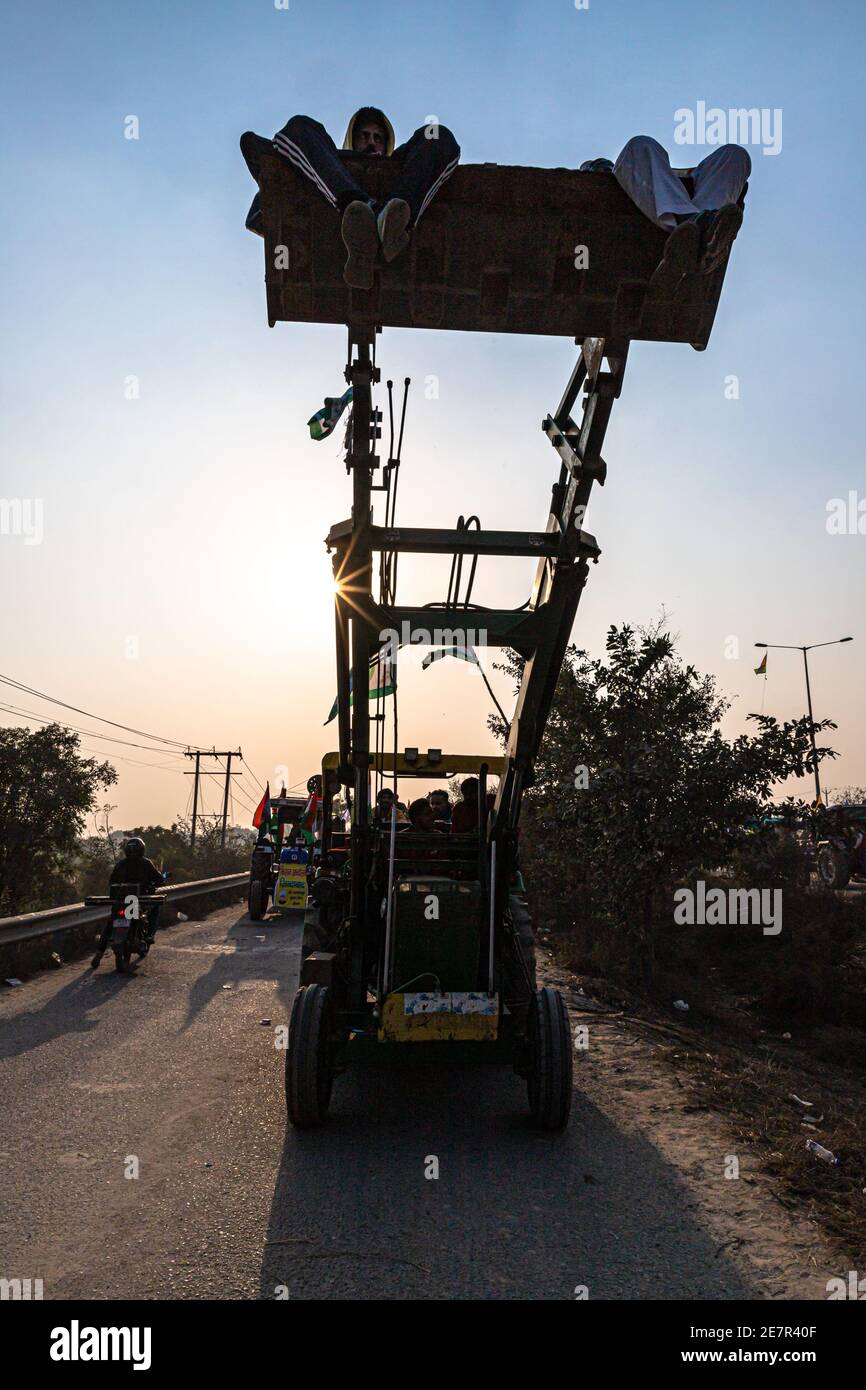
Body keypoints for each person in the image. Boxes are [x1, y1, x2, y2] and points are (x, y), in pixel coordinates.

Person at [247, 106, 460, 289]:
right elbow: (289, 139)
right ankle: (366, 212)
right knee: (300, 125)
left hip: (398, 199)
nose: (371, 143)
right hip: (340, 189)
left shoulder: (399, 166)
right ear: (351, 139)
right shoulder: (329, 164)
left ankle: (390, 223)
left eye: (378, 138)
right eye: (363, 136)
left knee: (436, 134)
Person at [581, 135, 750, 287]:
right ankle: (697, 226)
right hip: (658, 215)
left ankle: (708, 226)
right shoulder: (631, 166)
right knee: (640, 144)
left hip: (694, 200)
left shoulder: (656, 173)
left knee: (735, 154)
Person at [91, 837, 166, 969]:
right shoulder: (146, 863)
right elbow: (159, 880)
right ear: (142, 850)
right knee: (155, 908)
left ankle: (99, 951)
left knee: (110, 923)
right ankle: (149, 935)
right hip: (138, 901)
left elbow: (112, 881)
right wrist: (157, 883)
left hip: (121, 901)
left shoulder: (120, 864)